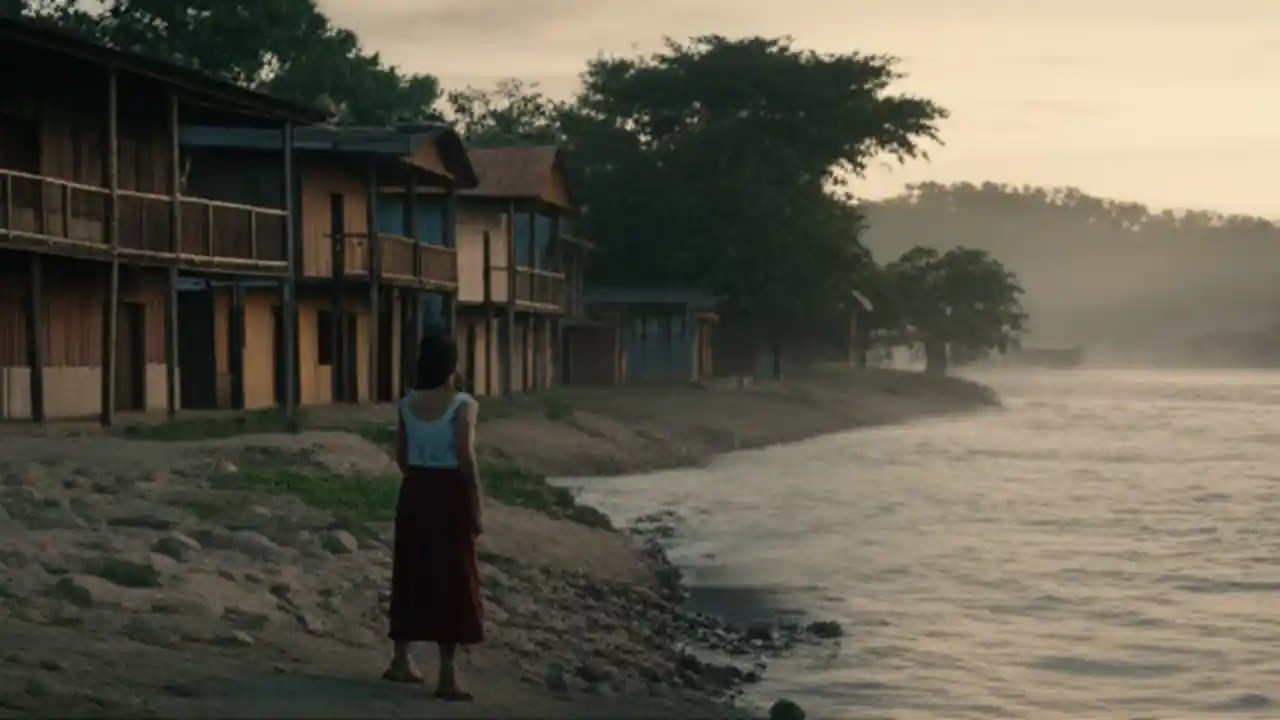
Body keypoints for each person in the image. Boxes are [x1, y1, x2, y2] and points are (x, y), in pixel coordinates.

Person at [383, 332, 484, 701]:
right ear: (452, 365)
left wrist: (418, 480)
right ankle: (447, 673)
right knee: (453, 577)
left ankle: (400, 659)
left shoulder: (407, 403)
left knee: (410, 570)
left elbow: (402, 455)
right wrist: (476, 500)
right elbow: (465, 455)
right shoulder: (463, 404)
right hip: (450, 492)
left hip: (415, 490)